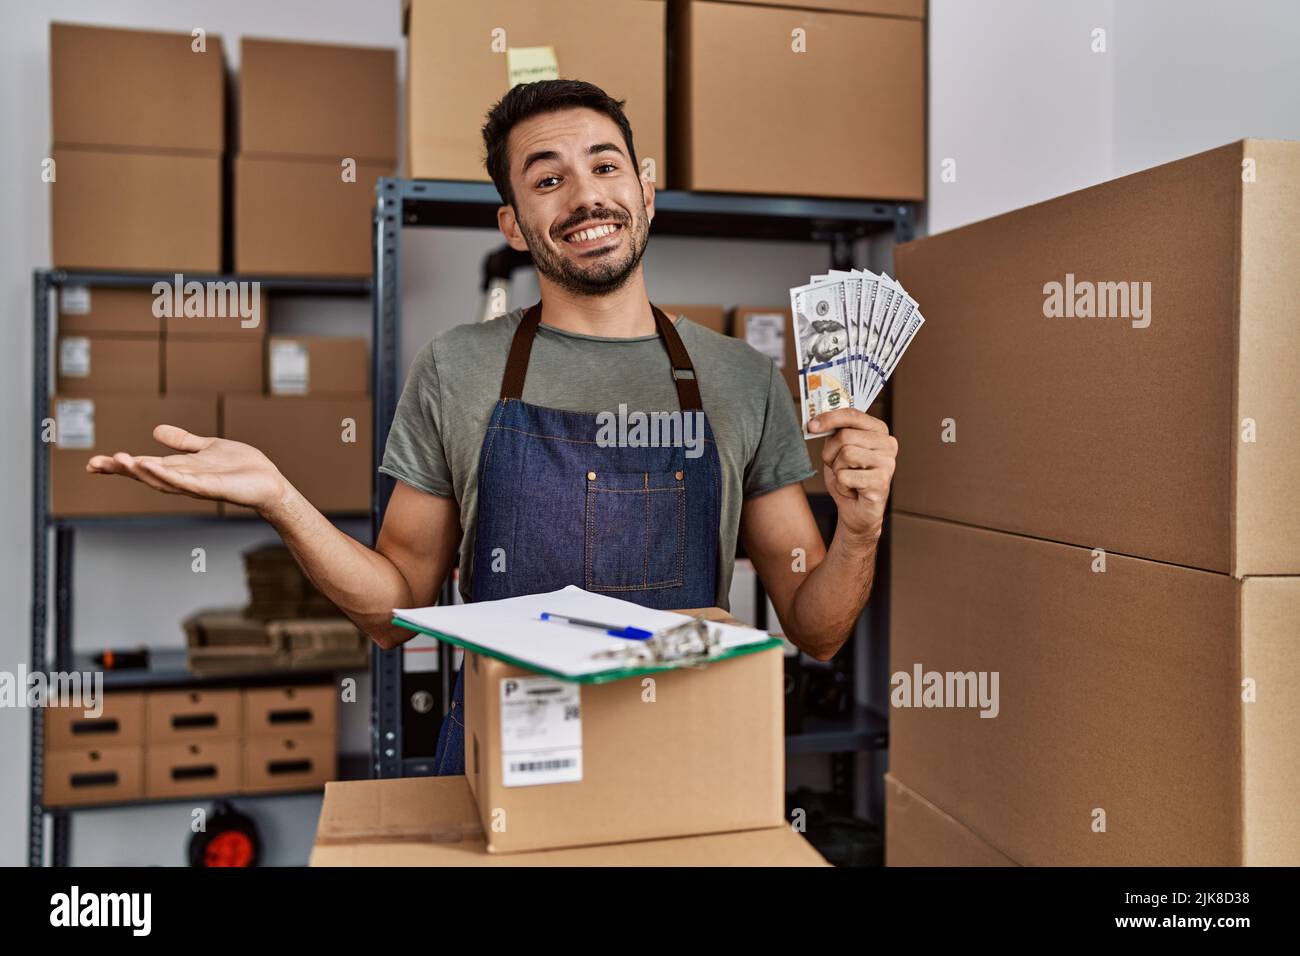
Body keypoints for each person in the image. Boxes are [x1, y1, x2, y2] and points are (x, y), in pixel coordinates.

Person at [88, 79, 899, 776]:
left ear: (645, 191)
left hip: (680, 757)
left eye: (605, 166)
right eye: (547, 180)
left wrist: (859, 529)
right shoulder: (459, 368)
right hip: (503, 752)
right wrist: (281, 501)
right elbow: (393, 606)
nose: (585, 196)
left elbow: (813, 627)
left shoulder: (740, 377)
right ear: (513, 224)